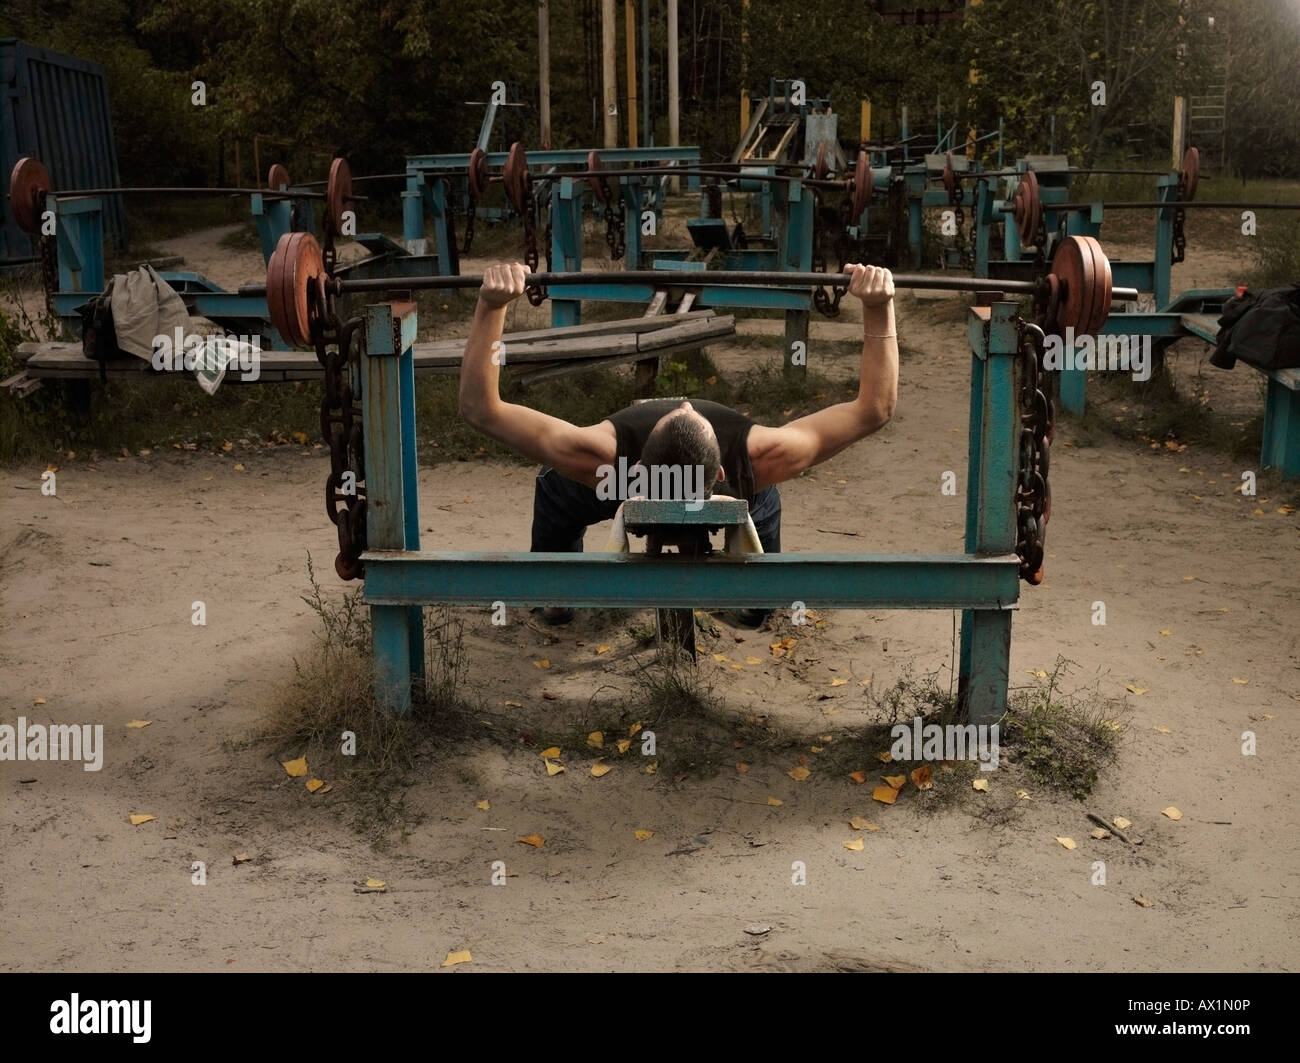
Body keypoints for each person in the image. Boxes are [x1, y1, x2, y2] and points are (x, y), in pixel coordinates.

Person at [459, 262, 898, 624]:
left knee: (556, 482)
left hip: (609, 484)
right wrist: (880, 306)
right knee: (763, 499)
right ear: (721, 474)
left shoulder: (600, 458)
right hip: (737, 483)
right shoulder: (759, 457)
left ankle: (553, 595)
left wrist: (491, 304)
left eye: (677, 407)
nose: (685, 401)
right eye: (687, 408)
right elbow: (873, 410)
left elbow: (481, 409)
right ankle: (757, 599)